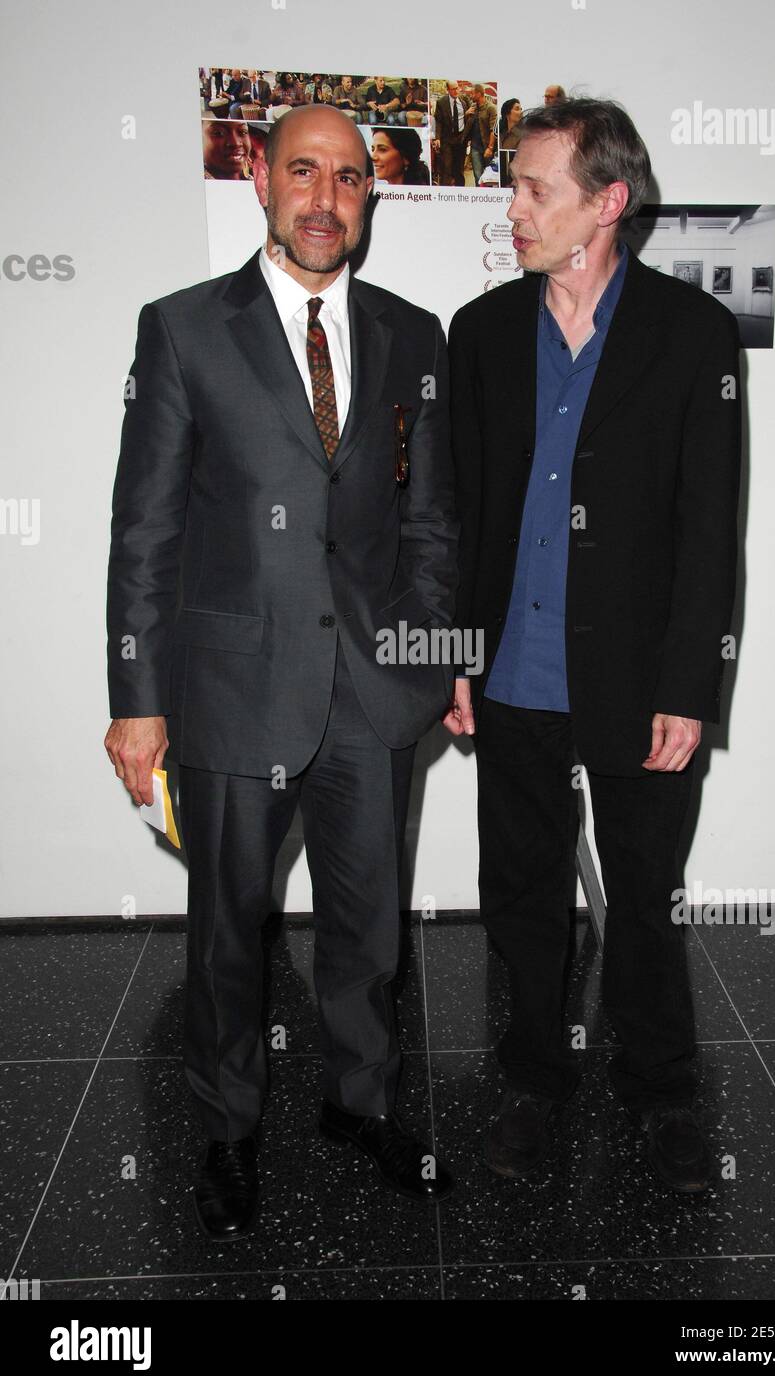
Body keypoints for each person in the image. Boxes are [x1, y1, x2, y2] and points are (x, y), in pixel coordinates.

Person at [105, 103, 459, 1239]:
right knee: (229, 928)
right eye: (301, 172)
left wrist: (437, 656)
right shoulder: (182, 330)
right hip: (228, 690)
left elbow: (433, 527)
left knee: (369, 928)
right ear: (258, 179)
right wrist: (137, 699)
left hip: (372, 688)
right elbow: (145, 532)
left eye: (347, 179)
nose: (323, 198)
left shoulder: (415, 335)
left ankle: (359, 1105)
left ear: (369, 195)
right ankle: (226, 1130)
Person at [445, 98, 741, 1194]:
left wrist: (688, 685)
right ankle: (531, 1082)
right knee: (520, 893)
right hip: (513, 674)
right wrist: (456, 657)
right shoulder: (477, 334)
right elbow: (465, 516)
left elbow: (708, 527)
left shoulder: (689, 334)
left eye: (534, 188)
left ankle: (660, 1091)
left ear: (604, 203)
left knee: (646, 898)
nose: (512, 207)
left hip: (636, 682)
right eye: (512, 185)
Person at [433, 81, 468, 185]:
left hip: (460, 139)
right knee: (447, 167)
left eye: (457, 88)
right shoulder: (441, 102)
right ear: (448, 90)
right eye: (453, 89)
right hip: (447, 138)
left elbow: (466, 120)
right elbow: (438, 121)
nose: (456, 91)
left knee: (459, 168)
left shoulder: (463, 103)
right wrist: (437, 138)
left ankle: (460, 192)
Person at [465, 83, 497, 185]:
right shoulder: (473, 107)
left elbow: (493, 130)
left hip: (487, 146)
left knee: (489, 177)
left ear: (479, 94)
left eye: (472, 93)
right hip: (475, 147)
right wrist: (466, 114)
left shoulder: (491, 108)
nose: (470, 96)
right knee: (477, 176)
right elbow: (467, 125)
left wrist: (490, 148)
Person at [498, 97, 523, 188]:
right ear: (507, 113)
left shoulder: (522, 135)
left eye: (521, 109)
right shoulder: (501, 133)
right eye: (517, 109)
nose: (520, 112)